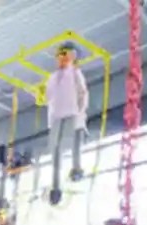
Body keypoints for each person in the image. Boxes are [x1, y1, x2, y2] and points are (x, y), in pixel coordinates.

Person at [46, 42, 90, 204]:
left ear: (72, 58)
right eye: (60, 56)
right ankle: (56, 186)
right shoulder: (52, 77)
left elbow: (82, 92)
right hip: (57, 115)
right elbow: (49, 97)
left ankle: (76, 168)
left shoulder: (75, 73)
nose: (62, 59)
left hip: (72, 112)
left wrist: (80, 111)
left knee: (73, 142)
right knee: (55, 150)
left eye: (66, 56)